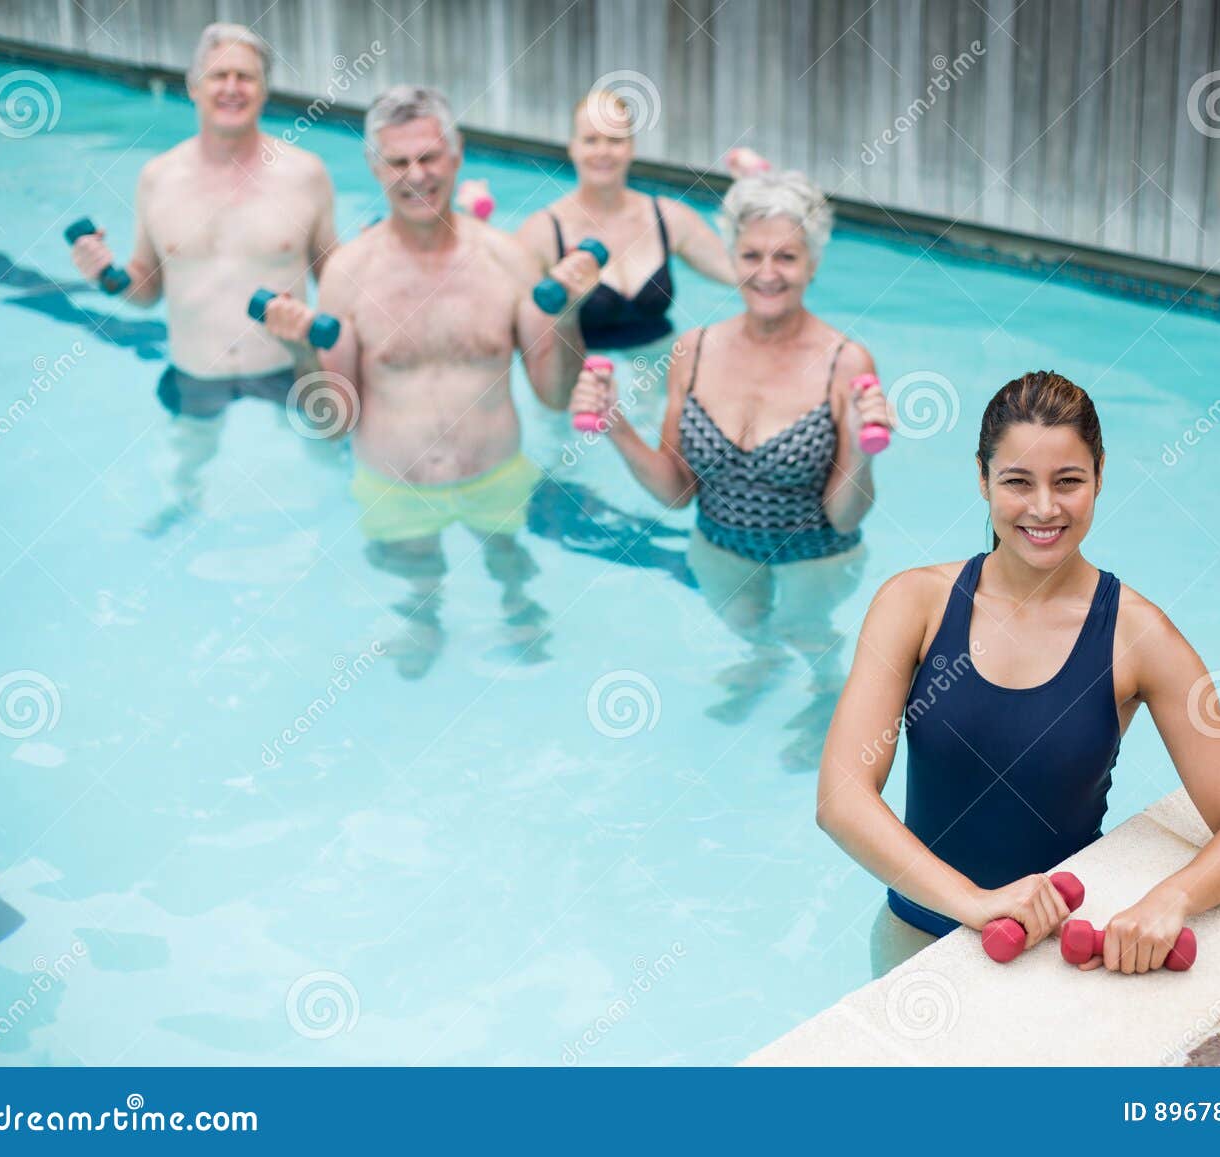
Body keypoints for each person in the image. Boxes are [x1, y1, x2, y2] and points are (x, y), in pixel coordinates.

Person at [815, 372, 1220, 977]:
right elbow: (840, 797)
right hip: (916, 941)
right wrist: (975, 905)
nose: (1043, 508)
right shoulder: (914, 605)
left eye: (1068, 482)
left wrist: (1171, 899)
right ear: (981, 479)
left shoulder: (1137, 636)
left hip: (1054, 961)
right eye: (1017, 482)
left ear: (1099, 477)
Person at [262, 85, 598, 679]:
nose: (416, 174)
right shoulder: (347, 274)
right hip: (395, 490)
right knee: (415, 600)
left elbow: (553, 393)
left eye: (429, 157)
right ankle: (423, 621)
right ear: (373, 166)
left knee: (514, 576)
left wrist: (569, 313)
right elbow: (332, 424)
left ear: (458, 153)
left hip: (498, 478)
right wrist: (299, 353)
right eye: (398, 161)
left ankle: (518, 606)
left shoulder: (508, 260)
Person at [571, 171, 890, 767]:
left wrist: (863, 449)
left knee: (807, 636)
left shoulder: (845, 362)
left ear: (813, 264)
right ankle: (761, 666)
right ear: (731, 258)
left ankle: (825, 697)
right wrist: (617, 428)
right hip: (717, 549)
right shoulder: (692, 352)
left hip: (814, 558)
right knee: (751, 632)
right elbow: (676, 492)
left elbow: (844, 515)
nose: (767, 271)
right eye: (752, 254)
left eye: (787, 256)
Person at [68, 23, 338, 536]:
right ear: (193, 87)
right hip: (196, 378)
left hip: (287, 373)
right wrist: (108, 276)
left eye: (246, 76)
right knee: (177, 497)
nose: (231, 88)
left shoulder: (305, 174)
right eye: (218, 76)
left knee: (326, 486)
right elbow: (146, 288)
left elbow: (339, 278)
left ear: (264, 89)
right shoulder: (158, 178)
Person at [514, 89, 766, 353]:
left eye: (614, 140)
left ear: (631, 147)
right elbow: (505, 311)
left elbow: (745, 273)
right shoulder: (542, 230)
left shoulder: (669, 217)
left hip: (659, 368)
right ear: (573, 147)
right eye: (591, 140)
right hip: (586, 377)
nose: (603, 151)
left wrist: (753, 196)